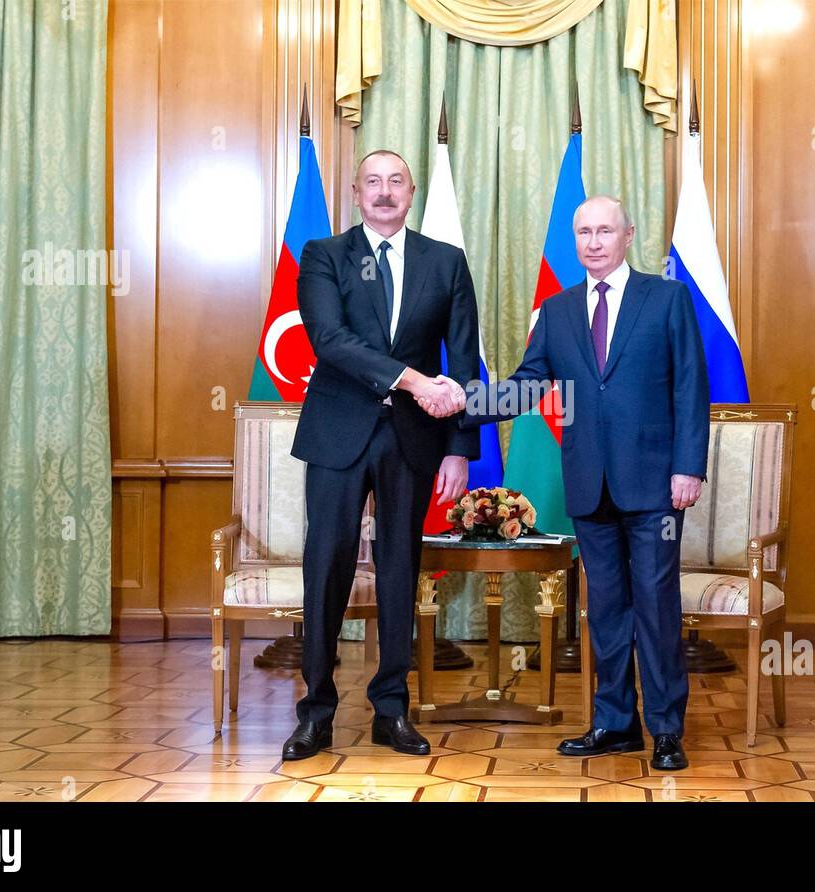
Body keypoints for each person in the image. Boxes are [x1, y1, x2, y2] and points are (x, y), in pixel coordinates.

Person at [441, 195, 709, 770]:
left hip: (656, 485)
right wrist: (462, 400)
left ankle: (666, 729)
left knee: (656, 606)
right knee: (605, 609)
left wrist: (689, 466)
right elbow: (527, 385)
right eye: (583, 232)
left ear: (628, 236)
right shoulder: (558, 311)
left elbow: (691, 387)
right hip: (588, 483)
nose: (593, 242)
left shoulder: (667, 298)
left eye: (604, 231)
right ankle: (615, 723)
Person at [284, 149, 478, 761]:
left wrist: (460, 450)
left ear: (412, 191)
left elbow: (466, 361)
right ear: (355, 192)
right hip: (339, 432)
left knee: (400, 570)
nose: (385, 192)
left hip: (415, 440)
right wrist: (415, 382)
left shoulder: (445, 262)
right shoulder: (323, 256)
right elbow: (331, 341)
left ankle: (391, 709)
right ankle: (315, 710)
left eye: (396, 182)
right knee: (328, 564)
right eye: (374, 182)